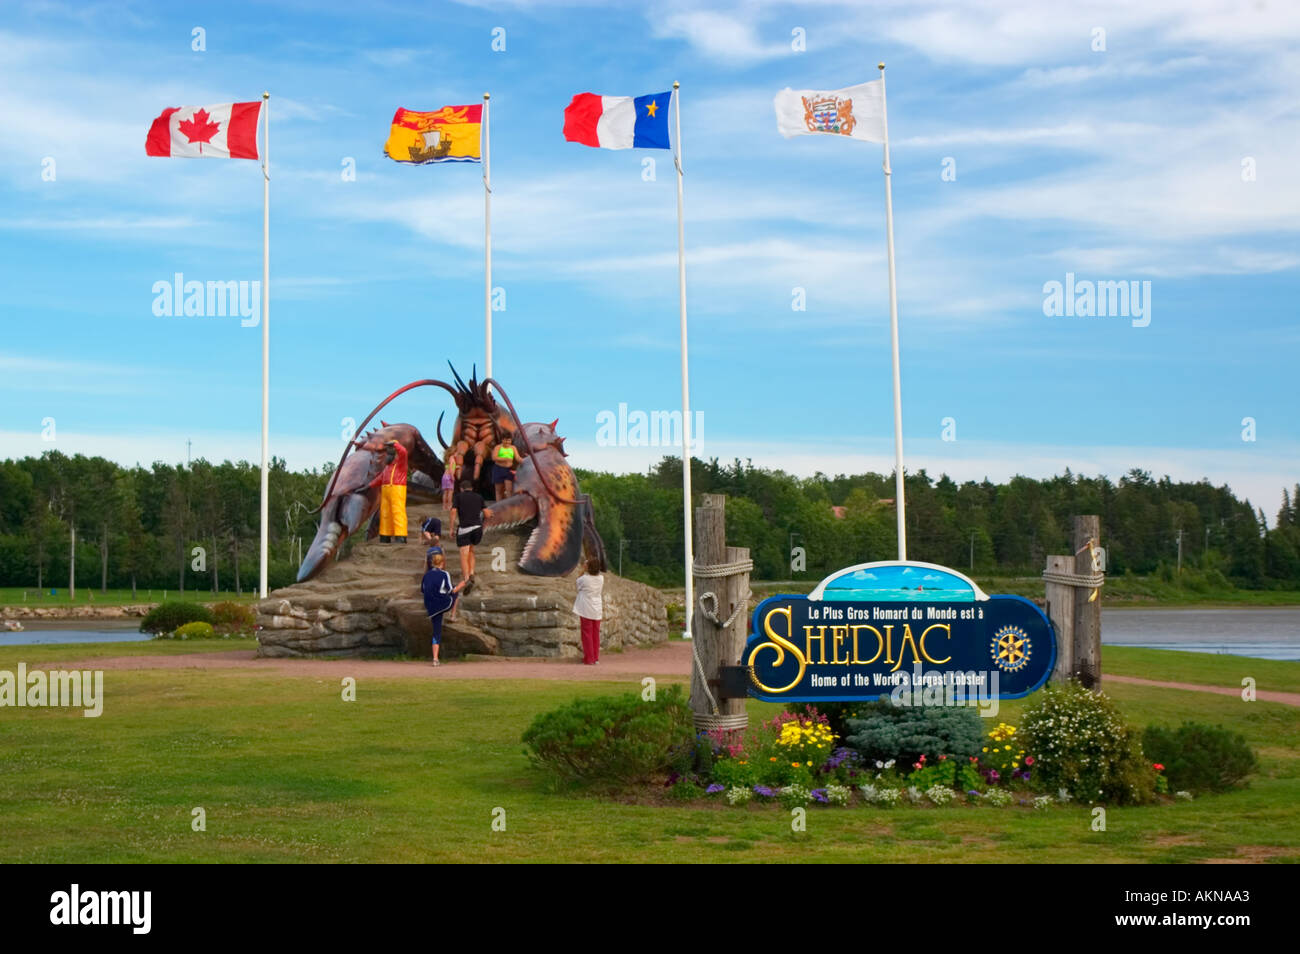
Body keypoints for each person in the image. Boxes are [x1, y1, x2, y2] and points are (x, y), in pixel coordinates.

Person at [421, 551, 467, 666]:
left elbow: (422, 589)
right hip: (442, 604)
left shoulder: (426, 575)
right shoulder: (444, 574)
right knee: (455, 594)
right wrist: (463, 583)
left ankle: (435, 659)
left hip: (430, 606)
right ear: (442, 563)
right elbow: (452, 590)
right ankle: (452, 616)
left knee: (436, 630)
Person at [367, 439, 409, 543]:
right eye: (388, 452)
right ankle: (385, 535)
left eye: (391, 452)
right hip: (386, 491)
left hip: (397, 489)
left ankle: (400, 536)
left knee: (397, 512)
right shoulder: (387, 468)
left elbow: (403, 452)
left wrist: (395, 444)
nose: (388, 455)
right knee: (385, 514)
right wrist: (369, 486)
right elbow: (380, 478)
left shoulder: (401, 464)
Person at [450, 478, 484, 584]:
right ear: (472, 488)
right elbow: (486, 512)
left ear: (461, 489)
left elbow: (453, 511)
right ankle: (472, 573)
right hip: (478, 528)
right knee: (471, 550)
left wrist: (451, 527)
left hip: (465, 528)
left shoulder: (458, 497)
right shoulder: (479, 497)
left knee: (464, 554)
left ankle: (466, 578)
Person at [573, 557, 604, 665]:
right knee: (595, 634)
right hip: (597, 609)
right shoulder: (601, 578)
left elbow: (577, 583)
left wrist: (583, 569)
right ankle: (595, 658)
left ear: (588, 567)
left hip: (586, 609)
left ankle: (589, 658)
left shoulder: (584, 579)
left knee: (587, 634)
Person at [490, 433, 518, 500]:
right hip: (499, 469)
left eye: (509, 440)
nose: (507, 442)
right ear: (502, 440)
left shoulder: (513, 448)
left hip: (509, 469)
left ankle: (509, 506)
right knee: (499, 491)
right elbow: (494, 458)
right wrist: (505, 459)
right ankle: (499, 506)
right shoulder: (498, 447)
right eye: (505, 440)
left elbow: (517, 458)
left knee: (509, 490)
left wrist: (525, 460)